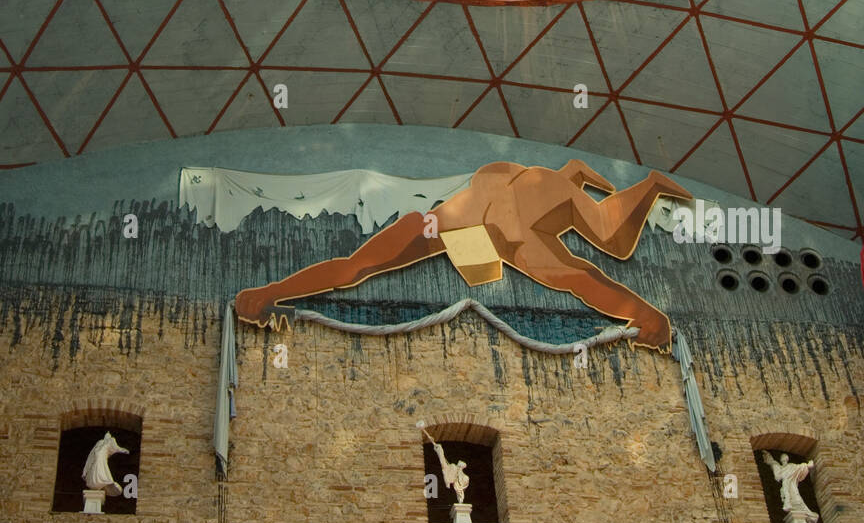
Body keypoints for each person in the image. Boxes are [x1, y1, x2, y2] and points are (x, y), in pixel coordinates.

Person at [235, 158, 692, 350]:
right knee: (369, 261)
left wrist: (650, 317)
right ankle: (577, 173)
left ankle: (648, 183)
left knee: (613, 238)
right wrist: (271, 293)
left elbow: (586, 278)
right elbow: (355, 267)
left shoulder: (518, 238)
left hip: (521, 199)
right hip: (486, 207)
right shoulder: (445, 225)